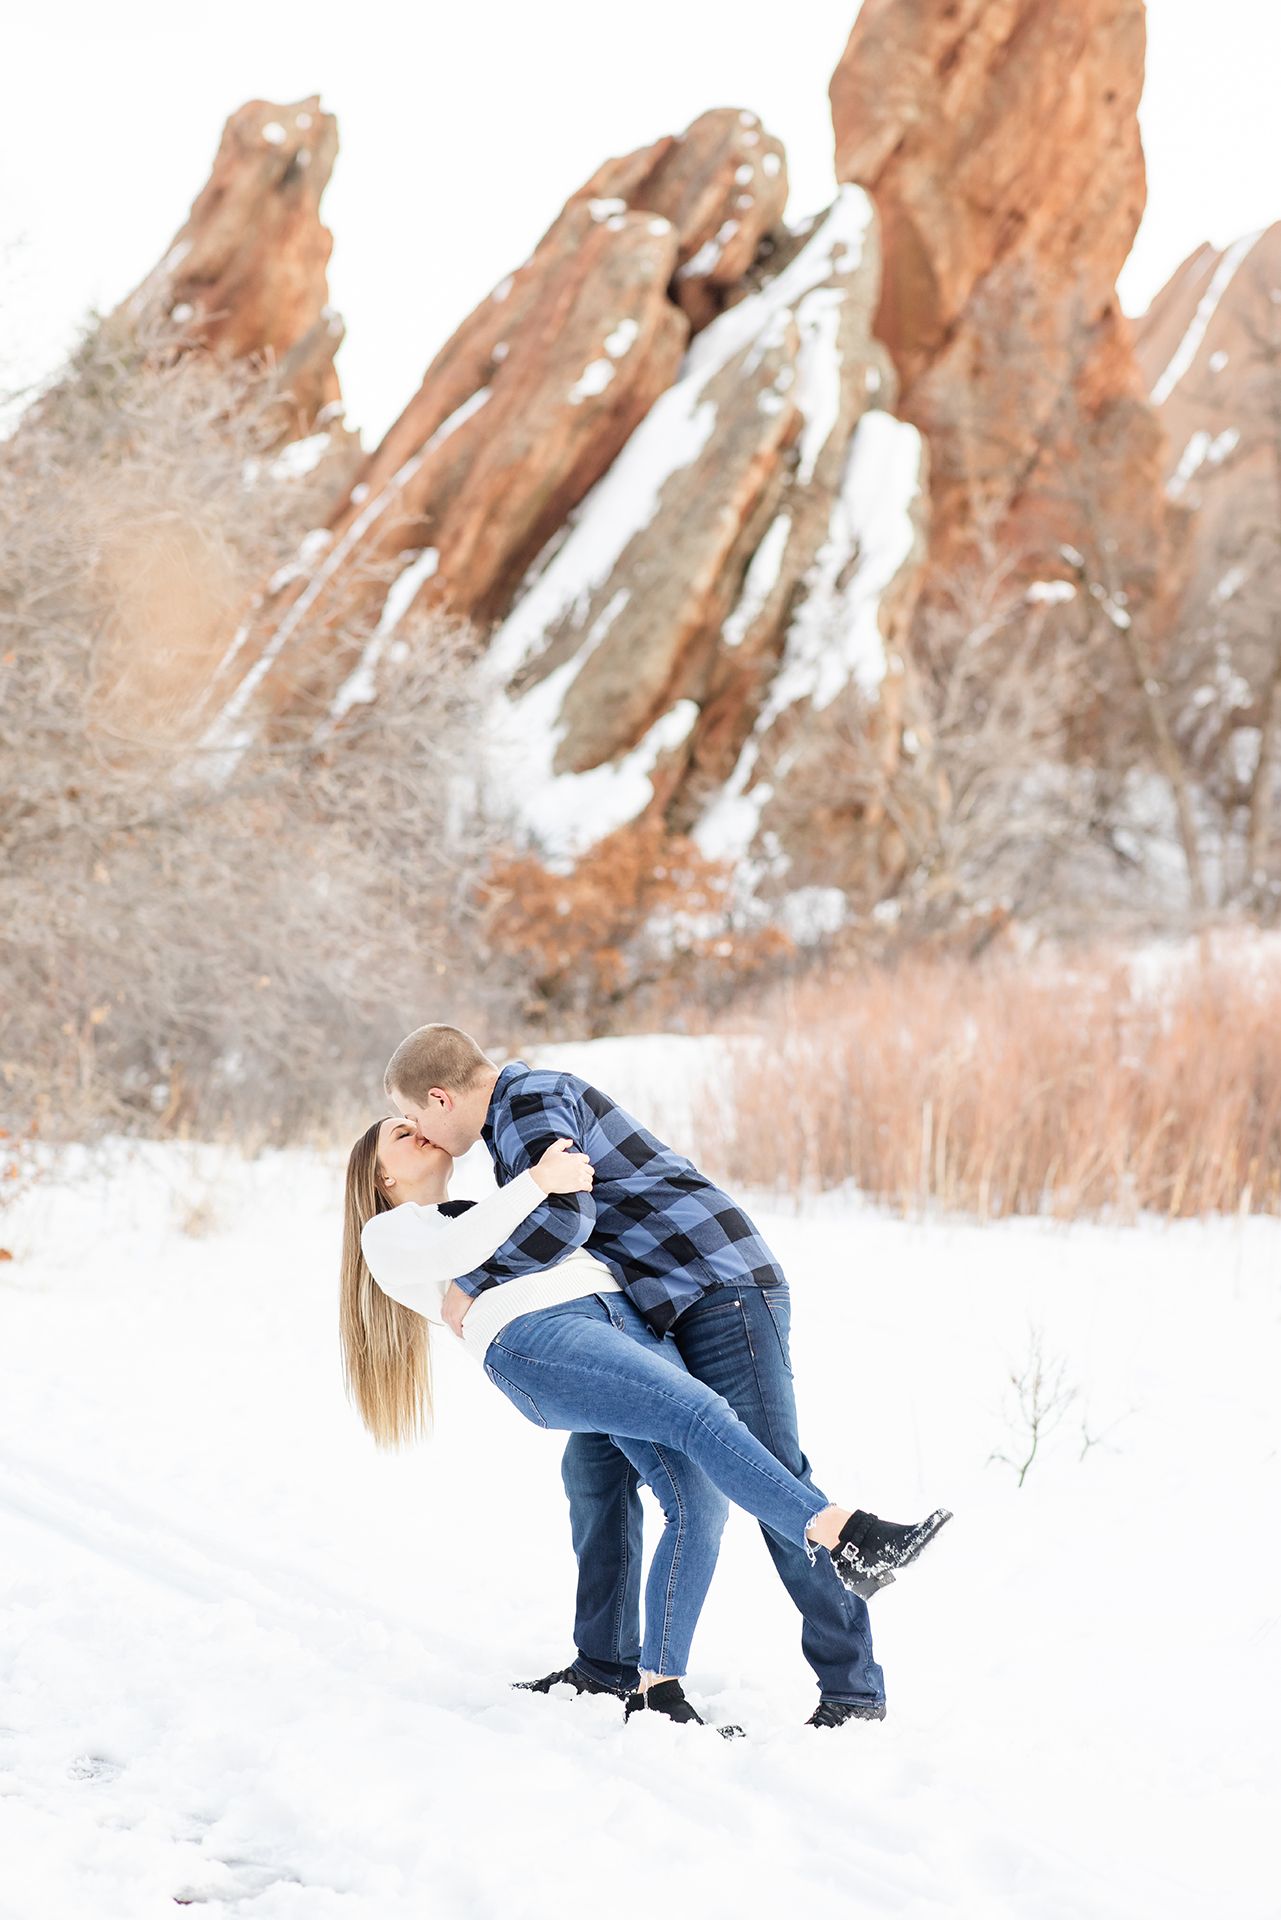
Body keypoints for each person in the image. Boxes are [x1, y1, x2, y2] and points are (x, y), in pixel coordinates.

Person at [382, 1025, 952, 1731]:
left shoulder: (527, 1103)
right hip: (655, 1303)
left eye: (413, 1116)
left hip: (715, 1287)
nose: (420, 1133)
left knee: (771, 1473)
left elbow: (566, 1216)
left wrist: (472, 1280)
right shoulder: (514, 1123)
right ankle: (604, 1664)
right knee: (595, 1471)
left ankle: (852, 1687)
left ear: (441, 1098)